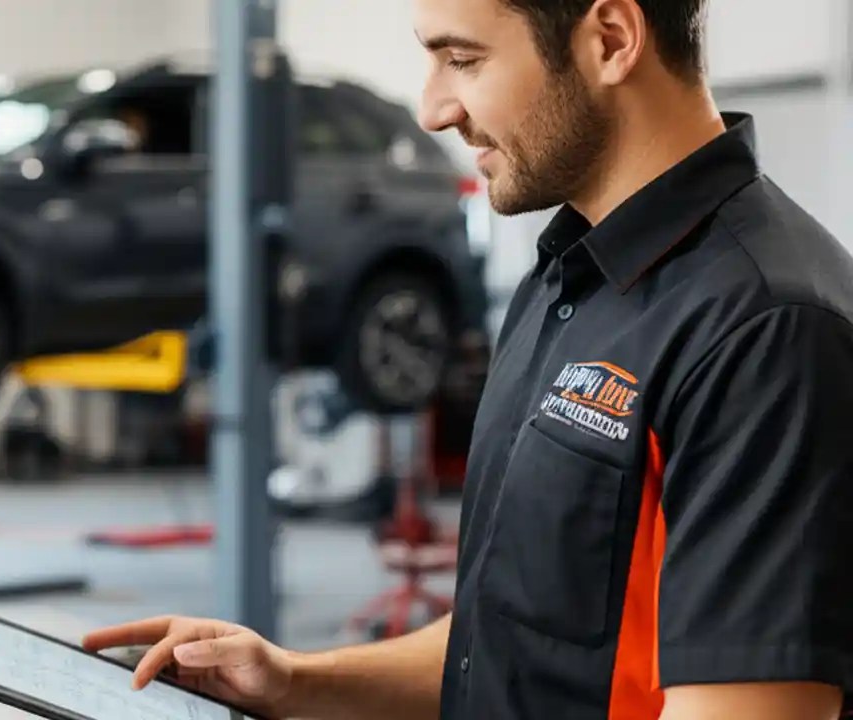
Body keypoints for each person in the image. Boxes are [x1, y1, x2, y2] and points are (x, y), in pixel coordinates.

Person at [83, 0, 853, 718]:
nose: (433, 109)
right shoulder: (565, 281)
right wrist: (294, 682)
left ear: (611, 40)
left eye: (463, 60)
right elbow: (515, 636)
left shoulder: (766, 330)